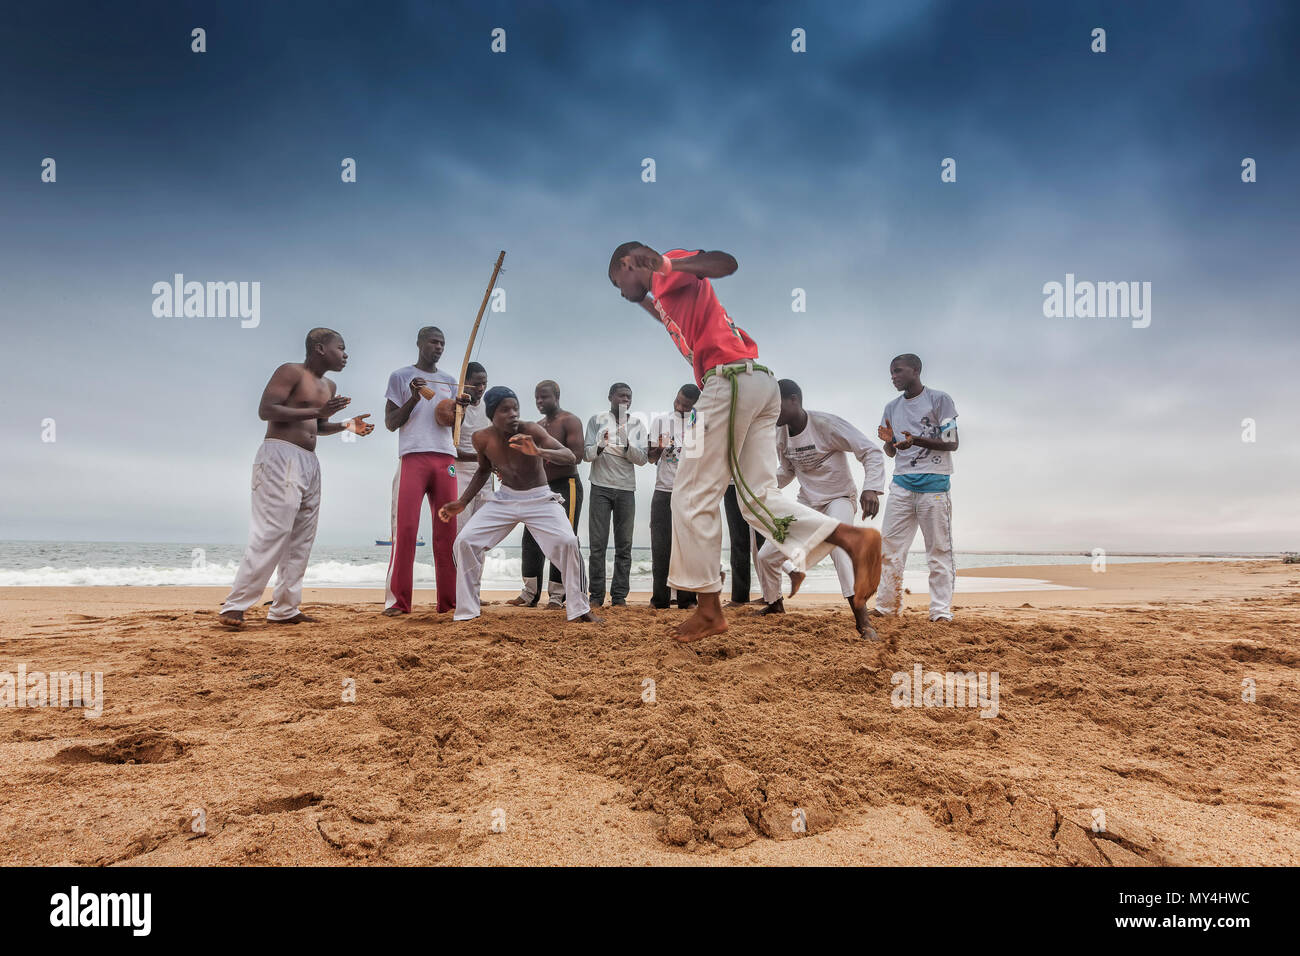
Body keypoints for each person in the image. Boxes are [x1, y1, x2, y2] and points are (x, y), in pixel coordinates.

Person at [608, 242, 882, 641]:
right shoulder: (668, 297)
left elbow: (724, 263)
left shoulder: (670, 271)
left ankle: (708, 610)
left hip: (730, 381)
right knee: (756, 499)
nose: (621, 292)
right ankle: (850, 538)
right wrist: (644, 300)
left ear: (630, 263)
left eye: (620, 282)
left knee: (688, 494)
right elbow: (668, 314)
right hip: (759, 384)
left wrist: (664, 263)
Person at [219, 328, 373, 628]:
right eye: (340, 347)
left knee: (302, 536)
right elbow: (266, 410)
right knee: (273, 529)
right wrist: (317, 410)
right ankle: (235, 605)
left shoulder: (329, 384)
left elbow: (317, 425)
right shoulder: (290, 371)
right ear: (319, 348)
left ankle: (285, 608)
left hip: (309, 461)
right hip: (280, 454)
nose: (345, 354)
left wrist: (345, 425)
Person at [439, 386, 601, 624]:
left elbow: (569, 456)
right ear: (492, 414)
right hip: (505, 499)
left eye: (515, 408)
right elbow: (484, 470)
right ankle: (467, 610)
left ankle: (579, 608)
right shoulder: (481, 438)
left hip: (539, 498)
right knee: (465, 542)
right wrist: (462, 502)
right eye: (505, 409)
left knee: (568, 542)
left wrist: (539, 450)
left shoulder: (531, 430)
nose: (513, 413)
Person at [754, 379, 885, 621]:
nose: (771, 412)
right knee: (766, 556)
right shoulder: (779, 433)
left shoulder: (826, 424)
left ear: (794, 400)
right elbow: (788, 470)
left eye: (775, 405)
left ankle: (861, 618)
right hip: (807, 503)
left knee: (836, 543)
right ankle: (774, 603)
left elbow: (870, 451)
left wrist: (872, 489)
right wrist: (760, 486)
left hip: (839, 499)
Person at [382, 326, 462, 616]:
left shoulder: (452, 381)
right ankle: (398, 602)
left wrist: (460, 408)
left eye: (442, 342)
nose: (438, 347)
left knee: (448, 532)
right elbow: (391, 423)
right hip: (413, 457)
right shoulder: (401, 376)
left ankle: (449, 603)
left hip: (445, 460)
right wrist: (414, 398)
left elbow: (453, 424)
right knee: (405, 529)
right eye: (433, 341)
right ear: (419, 343)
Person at [873, 353, 959, 623]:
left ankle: (940, 612)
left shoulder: (939, 400)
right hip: (901, 484)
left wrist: (916, 441)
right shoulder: (891, 407)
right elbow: (891, 452)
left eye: (898, 371)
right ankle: (886, 607)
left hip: (934, 483)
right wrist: (888, 442)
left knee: (939, 550)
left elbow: (952, 442)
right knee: (889, 547)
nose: (893, 377)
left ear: (916, 370)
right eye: (891, 373)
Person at [508, 380, 586, 608]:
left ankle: (557, 595)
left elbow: (576, 456)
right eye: (536, 398)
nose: (540, 402)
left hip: (566, 484)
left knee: (563, 539)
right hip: (539, 488)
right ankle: (529, 593)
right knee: (530, 538)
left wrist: (541, 452)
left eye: (544, 397)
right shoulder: (538, 426)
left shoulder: (569, 421)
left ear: (557, 395)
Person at [583, 382, 648, 607]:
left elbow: (643, 459)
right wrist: (601, 445)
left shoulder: (638, 424)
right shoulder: (596, 420)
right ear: (610, 397)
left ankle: (619, 596)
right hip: (600, 487)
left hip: (626, 489)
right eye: (621, 396)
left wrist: (628, 445)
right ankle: (596, 596)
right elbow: (586, 455)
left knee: (624, 546)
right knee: (597, 545)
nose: (625, 400)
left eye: (629, 397)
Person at [648, 384, 701, 609]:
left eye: (685, 405)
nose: (679, 407)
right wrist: (658, 449)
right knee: (661, 548)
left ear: (694, 406)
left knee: (688, 548)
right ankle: (659, 600)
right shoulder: (660, 421)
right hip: (663, 491)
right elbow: (650, 458)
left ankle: (687, 600)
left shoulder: (699, 424)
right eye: (677, 401)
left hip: (689, 493)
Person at [454, 361, 495, 521]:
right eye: (476, 384)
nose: (481, 388)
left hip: (484, 477)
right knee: (460, 528)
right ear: (464, 383)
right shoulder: (454, 408)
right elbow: (450, 450)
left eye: (484, 384)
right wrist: (481, 458)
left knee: (481, 531)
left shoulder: (489, 408)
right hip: (459, 475)